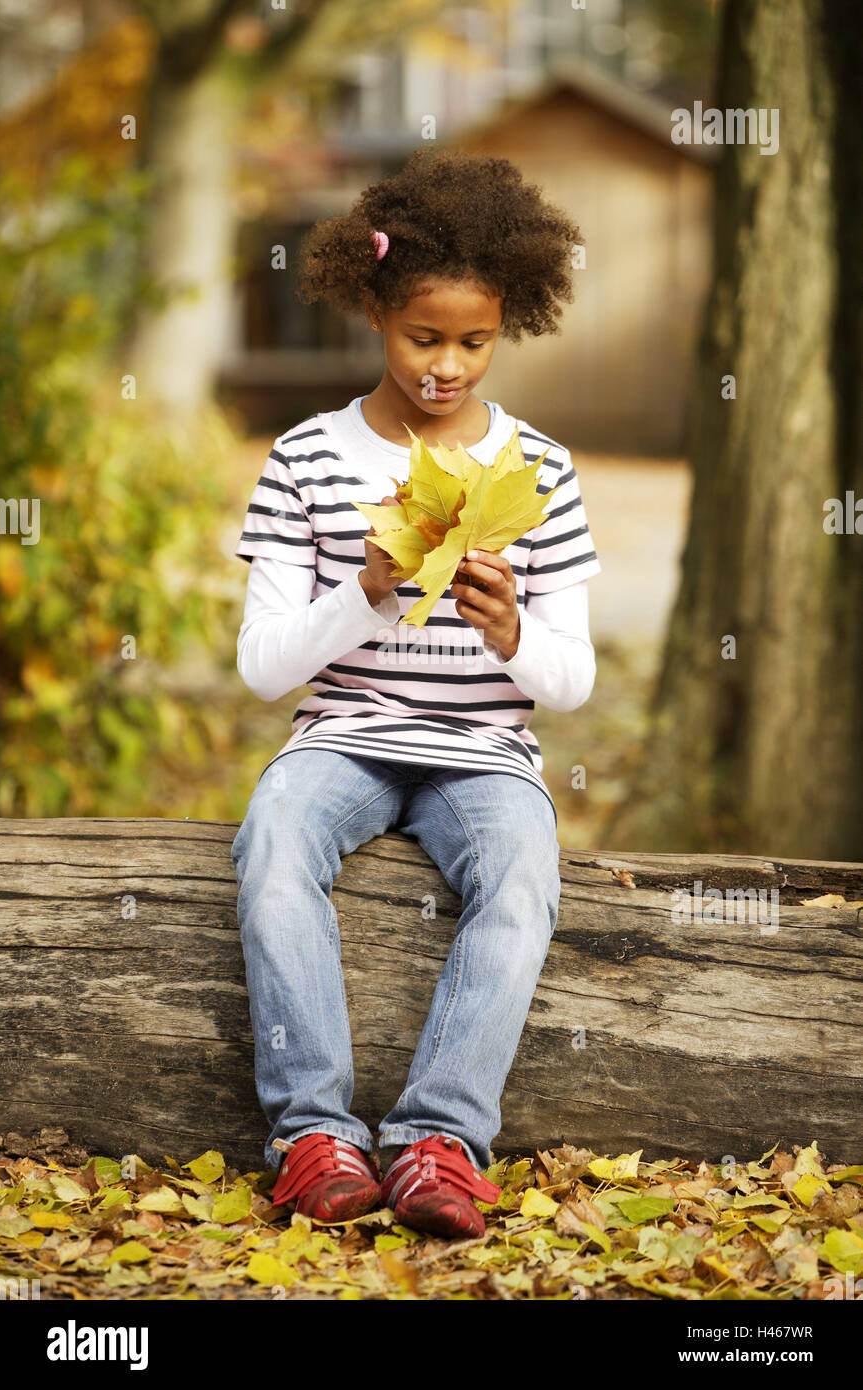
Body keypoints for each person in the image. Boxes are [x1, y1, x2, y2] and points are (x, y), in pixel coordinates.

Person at [230, 148, 601, 1240]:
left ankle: (439, 1136)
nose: (446, 367)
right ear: (374, 312)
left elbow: (570, 680)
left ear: (505, 325)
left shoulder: (537, 470)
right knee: (271, 845)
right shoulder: (306, 458)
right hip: (342, 734)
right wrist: (364, 594)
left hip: (482, 749)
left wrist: (510, 630)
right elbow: (262, 666)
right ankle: (312, 1135)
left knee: (523, 877)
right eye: (420, 337)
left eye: (473, 342)